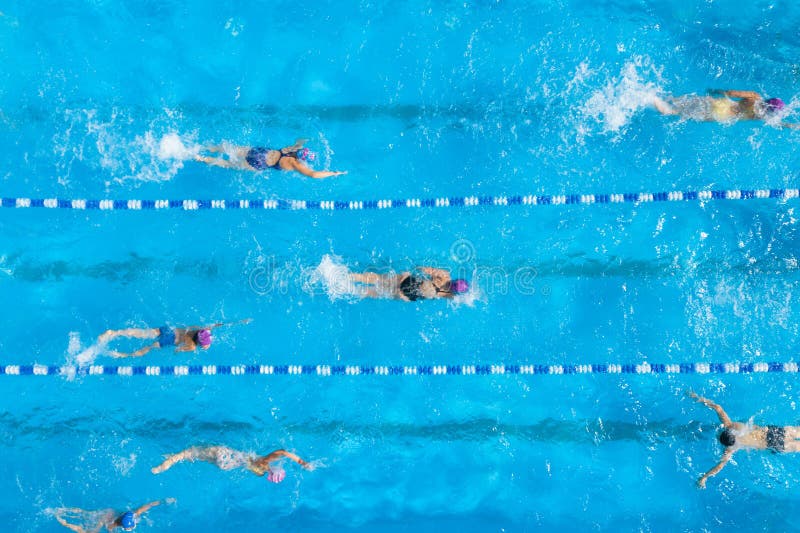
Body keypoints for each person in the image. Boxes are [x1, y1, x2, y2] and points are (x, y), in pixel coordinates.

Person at [689, 392, 800, 488]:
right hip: (771, 431)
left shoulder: (730, 449)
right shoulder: (731, 425)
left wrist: (704, 477)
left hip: (772, 444)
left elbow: (720, 465)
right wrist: (697, 397)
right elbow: (718, 408)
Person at [194, 138, 346, 178]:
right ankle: (201, 158)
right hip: (259, 163)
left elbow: (301, 139)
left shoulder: (294, 148)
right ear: (302, 159)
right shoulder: (294, 164)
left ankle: (201, 147)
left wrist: (310, 139)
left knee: (228, 148)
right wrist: (333, 173)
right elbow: (313, 174)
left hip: (261, 151)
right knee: (227, 164)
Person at [96, 319, 250, 358]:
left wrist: (237, 322)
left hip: (170, 330)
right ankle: (124, 355)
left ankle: (115, 333)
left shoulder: (199, 329)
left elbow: (213, 325)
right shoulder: (191, 347)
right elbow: (177, 350)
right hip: (170, 341)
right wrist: (177, 352)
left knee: (143, 333)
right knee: (149, 348)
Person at [151, 446, 313, 482]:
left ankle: (166, 463)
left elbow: (282, 452)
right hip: (227, 466)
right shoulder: (260, 471)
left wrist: (302, 462)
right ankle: (172, 457)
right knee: (197, 456)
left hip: (224, 454)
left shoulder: (263, 462)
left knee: (191, 451)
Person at [652, 89, 796, 126]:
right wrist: (794, 126)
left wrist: (716, 91)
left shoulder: (755, 97)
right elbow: (781, 124)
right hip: (722, 116)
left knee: (681, 101)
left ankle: (655, 95)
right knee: (674, 112)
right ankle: (657, 104)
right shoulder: (761, 116)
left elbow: (732, 93)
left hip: (721, 103)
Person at [349, 267, 469, 301]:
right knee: (377, 291)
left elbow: (423, 269)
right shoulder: (449, 294)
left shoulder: (445, 276)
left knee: (377, 280)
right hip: (408, 292)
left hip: (408, 284)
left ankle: (350, 277)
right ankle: (349, 289)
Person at [53, 499, 172, 532]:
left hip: (107, 512)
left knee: (85, 513)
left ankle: (64, 510)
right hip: (103, 520)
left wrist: (161, 501)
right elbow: (109, 528)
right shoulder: (112, 527)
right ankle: (66, 523)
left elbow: (148, 505)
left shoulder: (130, 514)